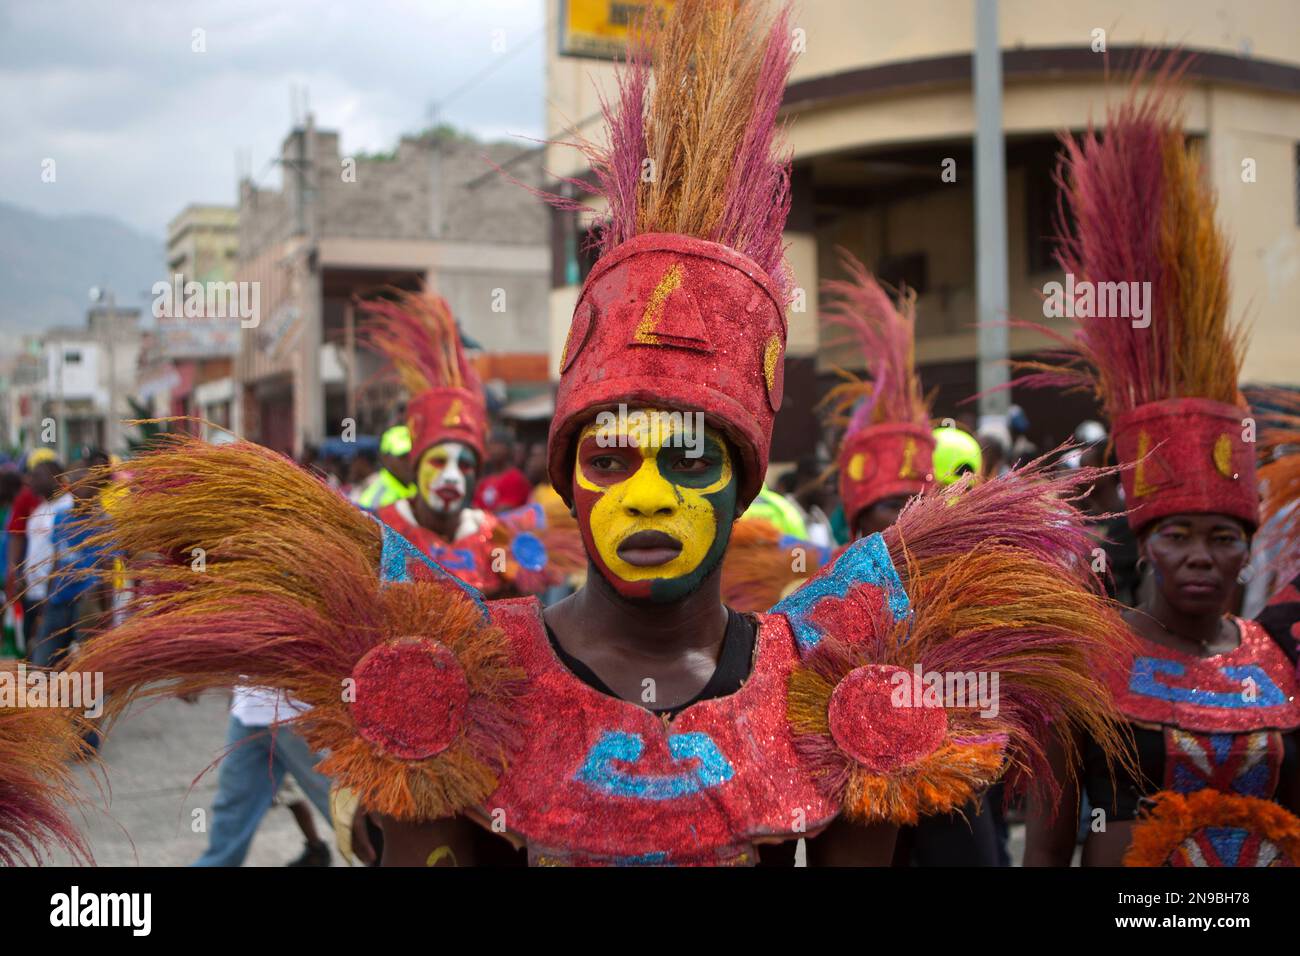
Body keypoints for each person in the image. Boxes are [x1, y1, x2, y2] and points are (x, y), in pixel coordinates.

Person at [71, 0, 1130, 868]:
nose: (651, 494)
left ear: (745, 481)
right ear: (567, 482)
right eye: (612, 455)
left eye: (688, 458)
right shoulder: (464, 675)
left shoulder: (835, 678)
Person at [1021, 66, 1300, 867]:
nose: (1203, 556)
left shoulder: (1277, 658)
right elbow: (1046, 847)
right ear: (1146, 542)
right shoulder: (1089, 659)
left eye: (1223, 536)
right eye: (1179, 534)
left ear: (1250, 549)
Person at [820, 251, 1003, 866]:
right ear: (855, 519)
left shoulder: (967, 592)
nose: (904, 520)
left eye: (915, 503)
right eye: (887, 508)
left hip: (958, 810)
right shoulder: (812, 608)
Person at [31, 452, 113, 669]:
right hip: (59, 599)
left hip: (87, 600)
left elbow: (107, 569)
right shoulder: (61, 517)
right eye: (74, 481)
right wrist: (46, 601)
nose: (77, 486)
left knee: (91, 663)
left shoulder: (103, 522)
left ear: (94, 487)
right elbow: (56, 561)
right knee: (43, 663)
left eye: (83, 481)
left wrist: (107, 611)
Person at [5, 453, 61, 652]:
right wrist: (17, 572)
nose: (31, 480)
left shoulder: (66, 507)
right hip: (33, 590)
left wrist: (51, 589)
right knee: (30, 649)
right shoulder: (39, 509)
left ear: (55, 477)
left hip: (53, 593)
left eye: (37, 476)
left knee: (46, 653)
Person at [350, 425, 416, 510]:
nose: (410, 461)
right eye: (403, 456)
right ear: (385, 458)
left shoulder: (423, 487)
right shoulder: (373, 502)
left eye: (413, 455)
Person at [473, 431, 532, 513]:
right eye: (491, 445)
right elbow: (476, 507)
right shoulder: (484, 482)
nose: (494, 449)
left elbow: (506, 511)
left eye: (498, 445)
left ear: (509, 449)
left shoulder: (516, 478)